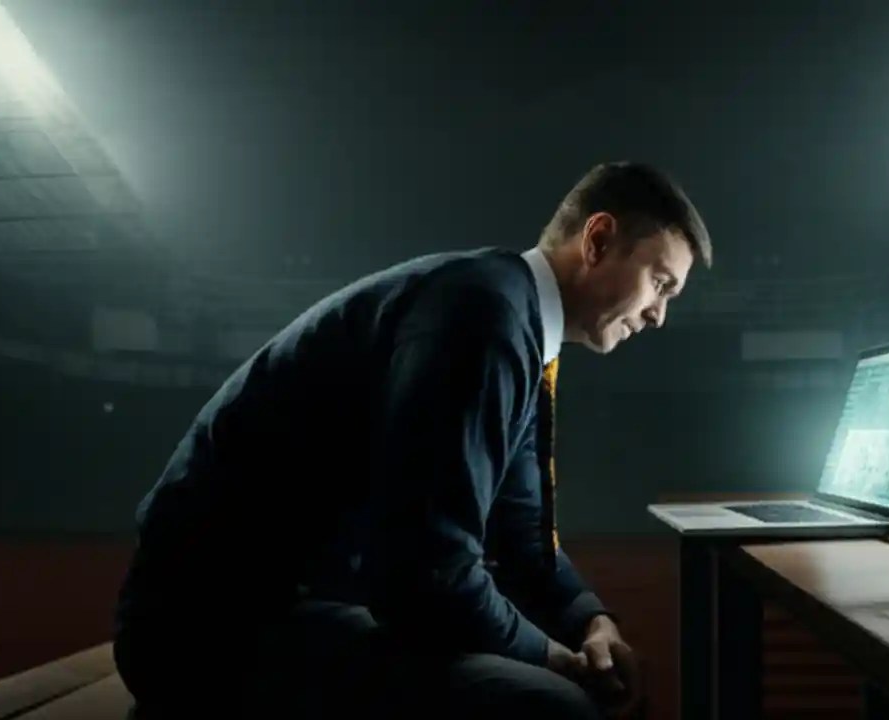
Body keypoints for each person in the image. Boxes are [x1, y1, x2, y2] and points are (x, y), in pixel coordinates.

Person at [112, 161, 713, 719]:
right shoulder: (484, 316)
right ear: (599, 240)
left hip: (276, 607)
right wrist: (558, 659)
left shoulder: (513, 317)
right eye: (660, 282)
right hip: (207, 628)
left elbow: (523, 532)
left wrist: (591, 625)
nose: (659, 314)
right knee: (553, 707)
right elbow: (428, 574)